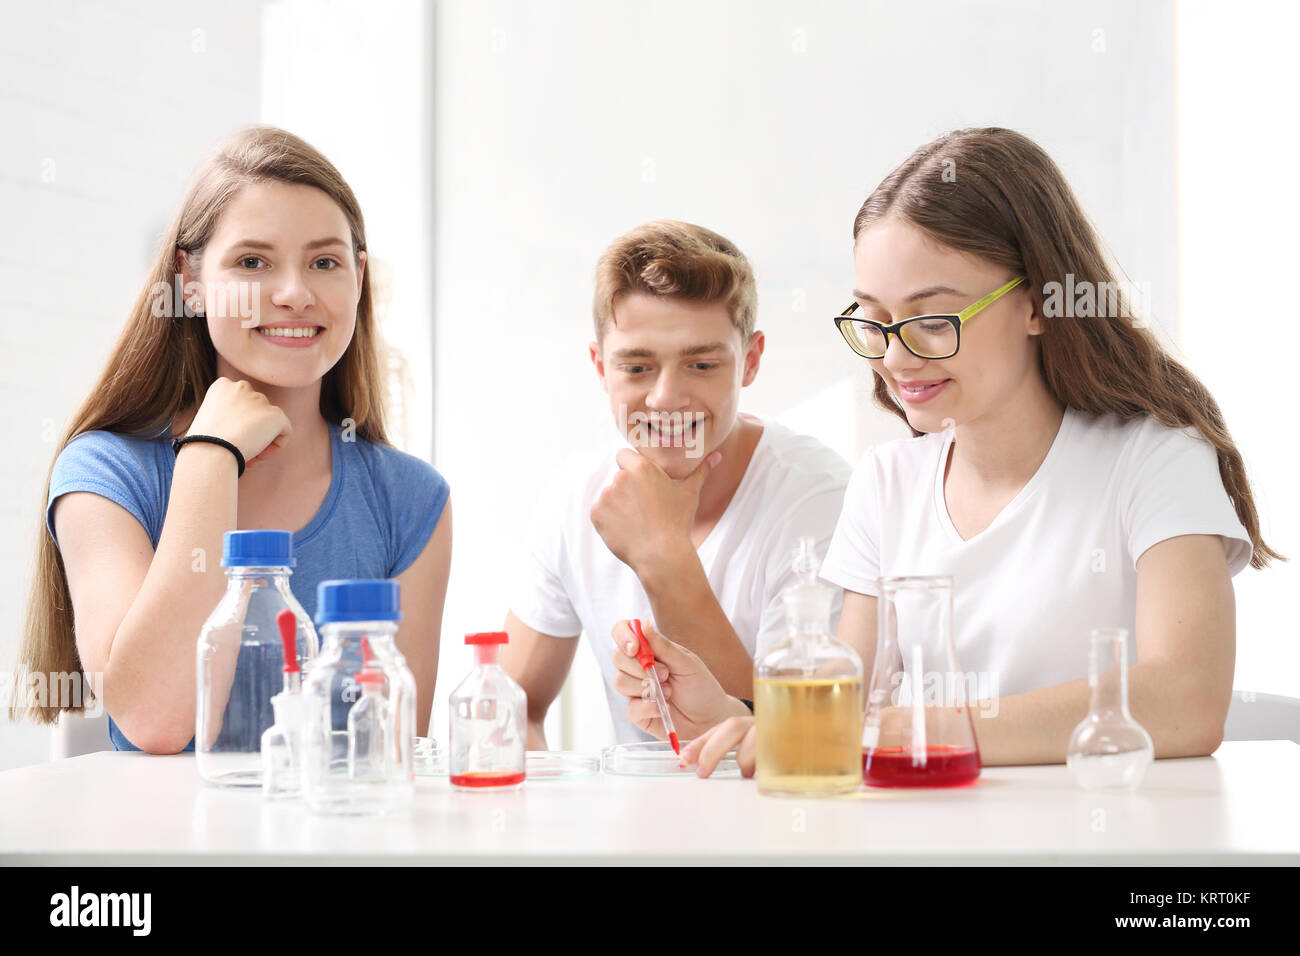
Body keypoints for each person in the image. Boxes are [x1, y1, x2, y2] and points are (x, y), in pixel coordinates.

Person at [610, 128, 1282, 774]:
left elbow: (1186, 702)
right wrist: (731, 712)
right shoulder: (887, 483)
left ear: (1040, 304)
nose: (896, 355)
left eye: (933, 320)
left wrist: (915, 729)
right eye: (874, 320)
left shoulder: (1154, 461)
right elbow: (843, 716)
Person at [13, 127, 452, 752]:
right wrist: (210, 458)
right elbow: (157, 720)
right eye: (253, 262)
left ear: (357, 279)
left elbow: (388, 752)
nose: (295, 293)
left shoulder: (412, 502)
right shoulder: (105, 473)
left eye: (324, 262)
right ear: (188, 281)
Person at [501, 220, 850, 748]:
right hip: (637, 823)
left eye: (702, 364)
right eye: (638, 367)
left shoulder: (818, 501)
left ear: (750, 361)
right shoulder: (576, 497)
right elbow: (514, 707)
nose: (666, 397)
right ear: (601, 367)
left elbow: (797, 738)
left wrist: (664, 555)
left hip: (779, 822)